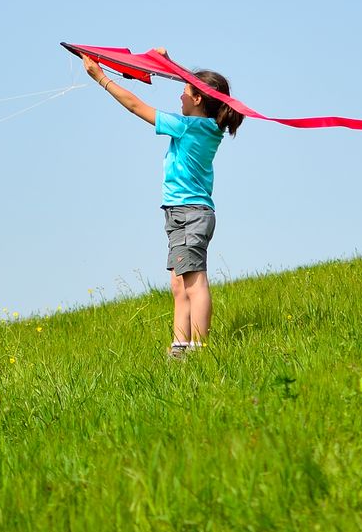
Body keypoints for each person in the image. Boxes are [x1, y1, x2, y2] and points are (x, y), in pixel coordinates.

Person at [82, 49, 243, 359]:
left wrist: (100, 77)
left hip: (190, 214)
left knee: (194, 283)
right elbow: (198, 87)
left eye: (184, 92)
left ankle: (198, 348)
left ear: (198, 99)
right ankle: (180, 348)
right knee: (179, 285)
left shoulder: (190, 127)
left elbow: (135, 106)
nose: (180, 98)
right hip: (183, 213)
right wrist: (166, 63)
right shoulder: (209, 126)